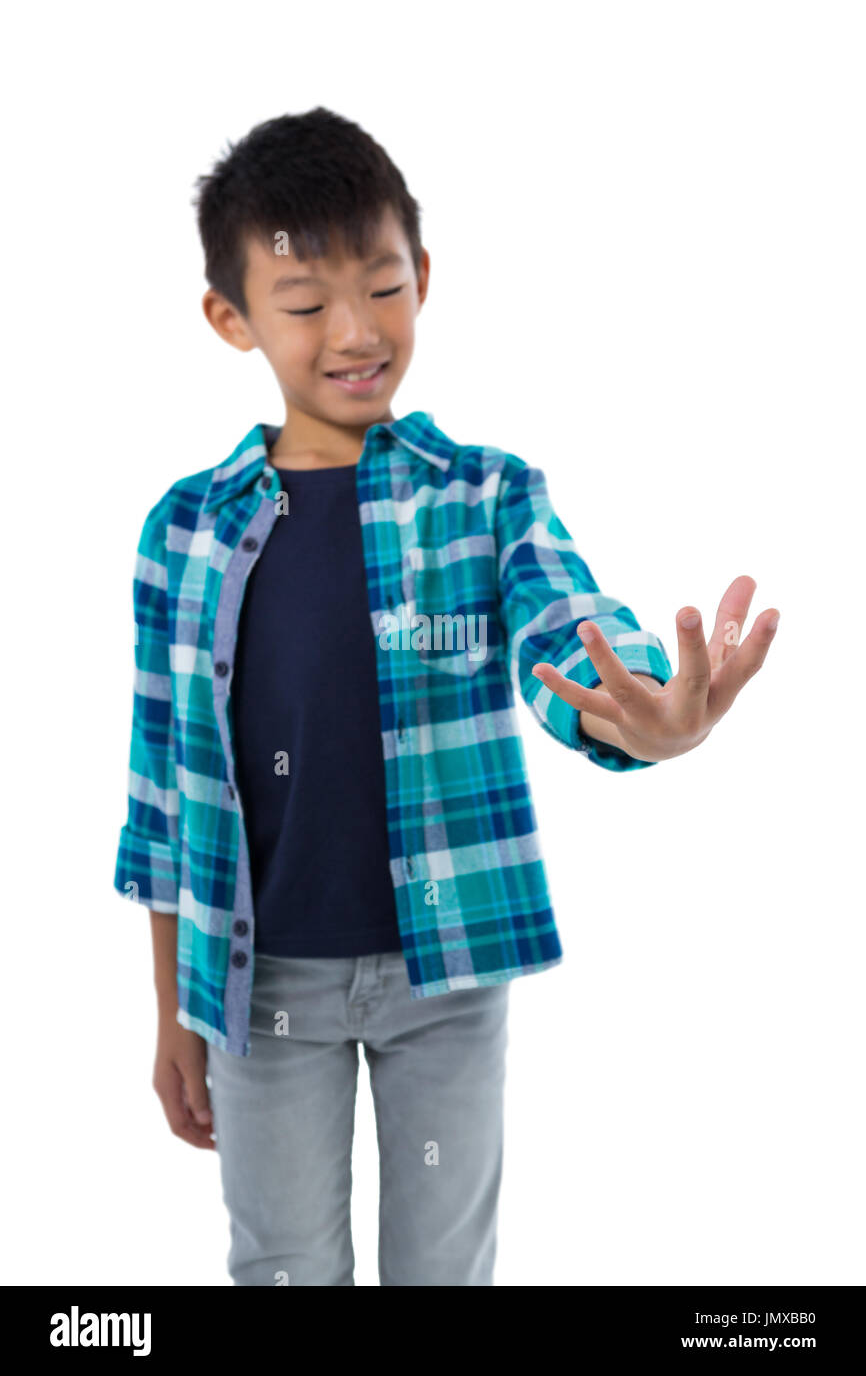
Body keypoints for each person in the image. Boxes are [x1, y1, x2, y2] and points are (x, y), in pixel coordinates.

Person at [113, 107, 780, 1286]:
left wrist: (634, 712)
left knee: (443, 1270)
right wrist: (174, 1008)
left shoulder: (485, 495)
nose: (357, 331)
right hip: (259, 989)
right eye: (307, 304)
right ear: (232, 319)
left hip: (447, 977)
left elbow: (562, 622)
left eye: (382, 286)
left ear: (423, 275)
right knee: (279, 1265)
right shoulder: (184, 528)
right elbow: (159, 790)